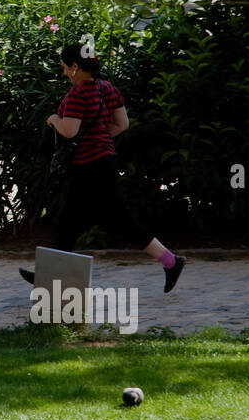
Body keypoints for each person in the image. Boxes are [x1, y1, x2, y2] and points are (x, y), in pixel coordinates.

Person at [19, 43, 185, 293]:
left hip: (88, 166)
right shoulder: (109, 89)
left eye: (65, 68)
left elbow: (69, 130)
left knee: (100, 220)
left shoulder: (77, 94)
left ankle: (172, 262)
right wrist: (98, 137)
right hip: (105, 160)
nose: (64, 73)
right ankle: (48, 276)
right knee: (73, 220)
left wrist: (53, 120)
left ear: (75, 67)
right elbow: (122, 124)